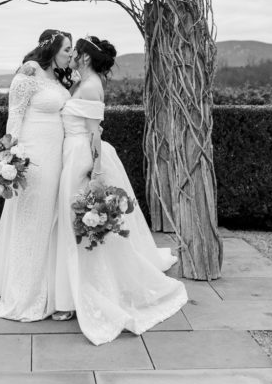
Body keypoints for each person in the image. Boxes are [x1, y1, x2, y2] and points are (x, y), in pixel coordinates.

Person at [52, 35, 188, 344]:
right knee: (75, 224)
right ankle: (70, 290)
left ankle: (86, 292)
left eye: (77, 52)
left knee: (79, 223)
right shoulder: (83, 81)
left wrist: (96, 172)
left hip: (81, 158)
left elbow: (94, 134)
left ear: (85, 58)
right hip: (72, 154)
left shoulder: (89, 86)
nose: (72, 54)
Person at [0, 29, 72, 320]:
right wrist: (12, 157)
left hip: (58, 154)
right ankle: (27, 291)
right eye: (67, 50)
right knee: (33, 219)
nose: (70, 55)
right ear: (51, 50)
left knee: (53, 219)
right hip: (35, 156)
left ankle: (53, 286)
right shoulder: (26, 77)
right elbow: (15, 117)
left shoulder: (56, 77)